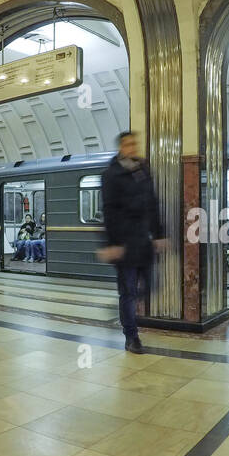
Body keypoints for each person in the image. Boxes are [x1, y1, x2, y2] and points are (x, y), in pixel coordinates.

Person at [93, 131, 170, 354]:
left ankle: (124, 311)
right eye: (128, 144)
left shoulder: (143, 171)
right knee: (128, 292)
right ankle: (131, 337)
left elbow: (152, 204)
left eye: (135, 144)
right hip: (124, 243)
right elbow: (108, 210)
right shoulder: (111, 175)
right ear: (121, 148)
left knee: (150, 286)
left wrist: (159, 235)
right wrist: (111, 243)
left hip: (144, 242)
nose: (133, 148)